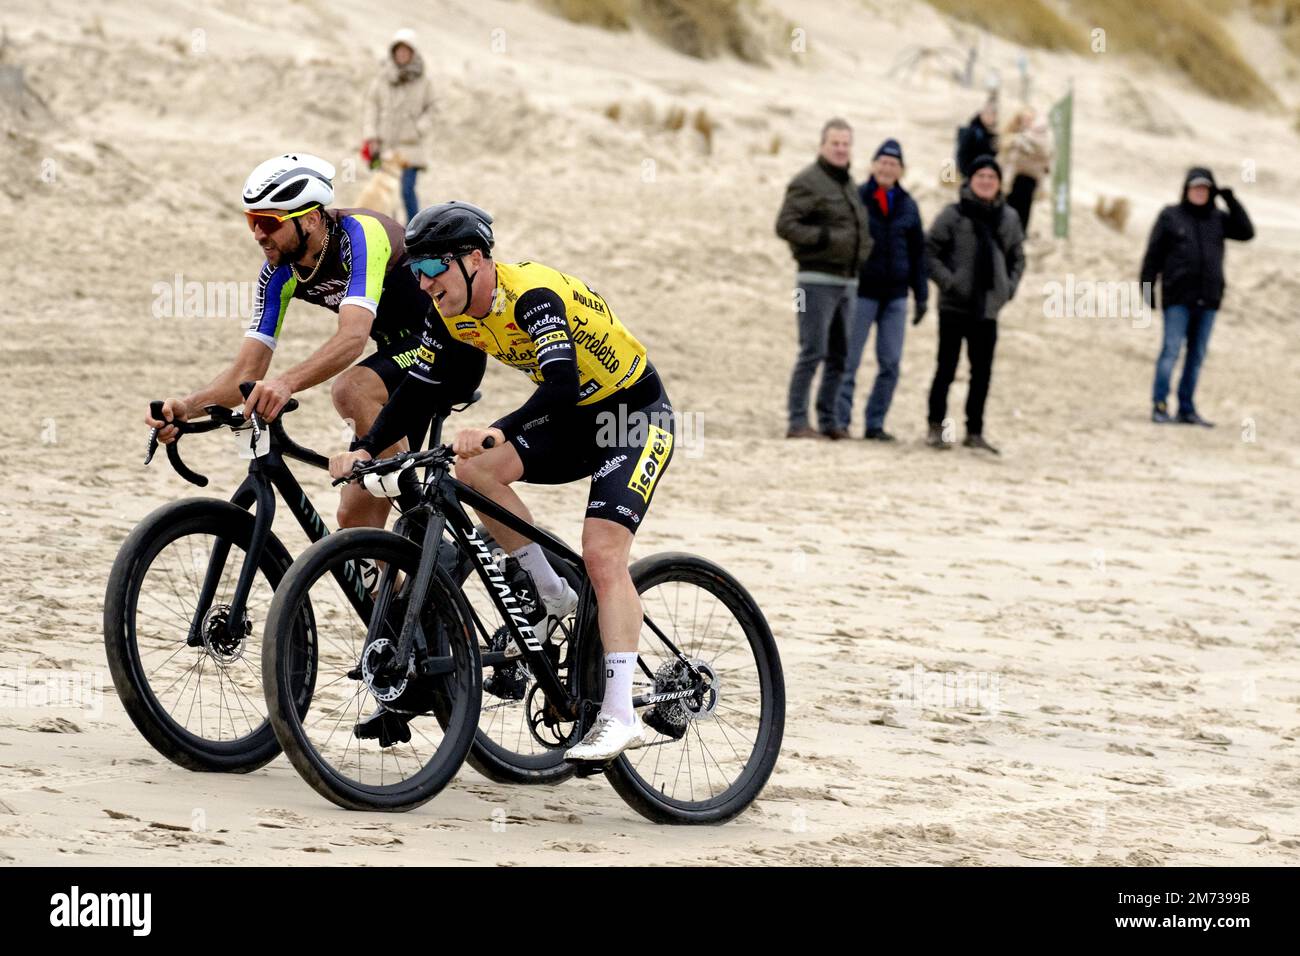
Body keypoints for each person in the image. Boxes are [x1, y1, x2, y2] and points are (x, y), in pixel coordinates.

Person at [331, 202, 676, 761]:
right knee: (473, 472)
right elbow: (419, 387)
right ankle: (549, 590)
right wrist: (365, 449)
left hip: (631, 417)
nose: (424, 283)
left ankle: (618, 714)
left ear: (475, 260)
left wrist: (497, 429)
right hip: (577, 420)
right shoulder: (451, 313)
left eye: (433, 268)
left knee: (602, 552)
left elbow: (561, 385)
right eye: (415, 271)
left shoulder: (531, 297)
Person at [144, 153, 485, 534]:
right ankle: (401, 583)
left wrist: (286, 383)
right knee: (353, 521)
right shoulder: (278, 274)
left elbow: (353, 337)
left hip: (451, 347)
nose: (258, 234)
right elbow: (247, 370)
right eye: (251, 221)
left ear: (309, 218)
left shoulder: (360, 234)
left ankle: (423, 525)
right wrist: (186, 408)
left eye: (268, 222)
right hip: (396, 363)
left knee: (351, 387)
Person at [775, 117, 872, 440]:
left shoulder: (846, 183)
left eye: (846, 144)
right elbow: (786, 225)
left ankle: (830, 421)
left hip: (848, 281)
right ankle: (798, 422)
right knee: (812, 351)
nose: (841, 149)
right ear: (822, 145)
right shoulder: (808, 181)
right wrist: (824, 239)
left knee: (840, 356)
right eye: (835, 143)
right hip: (815, 281)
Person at [924, 155, 1025, 454]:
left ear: (998, 183)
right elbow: (929, 251)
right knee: (946, 369)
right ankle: (937, 428)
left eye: (991, 177)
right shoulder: (953, 214)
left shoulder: (1008, 218)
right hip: (954, 306)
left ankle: (975, 432)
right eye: (980, 176)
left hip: (988, 309)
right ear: (970, 180)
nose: (985, 182)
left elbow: (1018, 257)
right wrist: (949, 281)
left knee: (981, 373)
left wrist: (1007, 289)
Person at [1140, 167, 1254, 426]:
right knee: (1170, 351)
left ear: (1211, 191)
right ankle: (1159, 405)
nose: (1200, 193)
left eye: (1205, 188)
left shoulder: (1218, 219)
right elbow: (1152, 257)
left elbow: (1247, 232)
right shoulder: (1170, 216)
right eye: (1195, 187)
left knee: (1197, 355)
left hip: (1209, 299)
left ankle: (1186, 408)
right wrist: (1147, 291)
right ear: (1186, 189)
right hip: (1178, 298)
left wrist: (1231, 200)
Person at [834, 138, 928, 441]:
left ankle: (875, 424)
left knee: (890, 363)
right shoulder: (857, 198)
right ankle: (840, 421)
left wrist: (921, 294)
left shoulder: (909, 205)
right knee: (849, 360)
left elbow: (918, 253)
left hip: (897, 296)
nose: (887, 168)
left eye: (893, 164)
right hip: (862, 292)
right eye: (883, 162)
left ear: (901, 170)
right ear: (873, 165)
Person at [362, 28, 436, 222]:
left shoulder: (424, 81)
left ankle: (416, 230)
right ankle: (390, 229)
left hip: (410, 149)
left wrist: (420, 128)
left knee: (406, 189)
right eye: (398, 50)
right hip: (385, 147)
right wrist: (371, 136)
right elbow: (371, 106)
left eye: (406, 50)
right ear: (393, 53)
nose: (402, 54)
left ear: (413, 53)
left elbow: (433, 108)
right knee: (384, 192)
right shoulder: (382, 79)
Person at [1000, 107, 1053, 234]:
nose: (1027, 121)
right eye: (1024, 119)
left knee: (1020, 215)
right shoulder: (1013, 135)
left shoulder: (1040, 137)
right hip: (1008, 179)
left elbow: (1044, 157)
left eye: (1030, 119)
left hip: (1027, 180)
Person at [956, 92, 999, 180]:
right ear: (981, 114)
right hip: (970, 174)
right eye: (987, 114)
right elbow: (962, 154)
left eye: (992, 115)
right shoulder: (972, 131)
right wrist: (966, 173)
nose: (990, 117)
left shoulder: (994, 134)